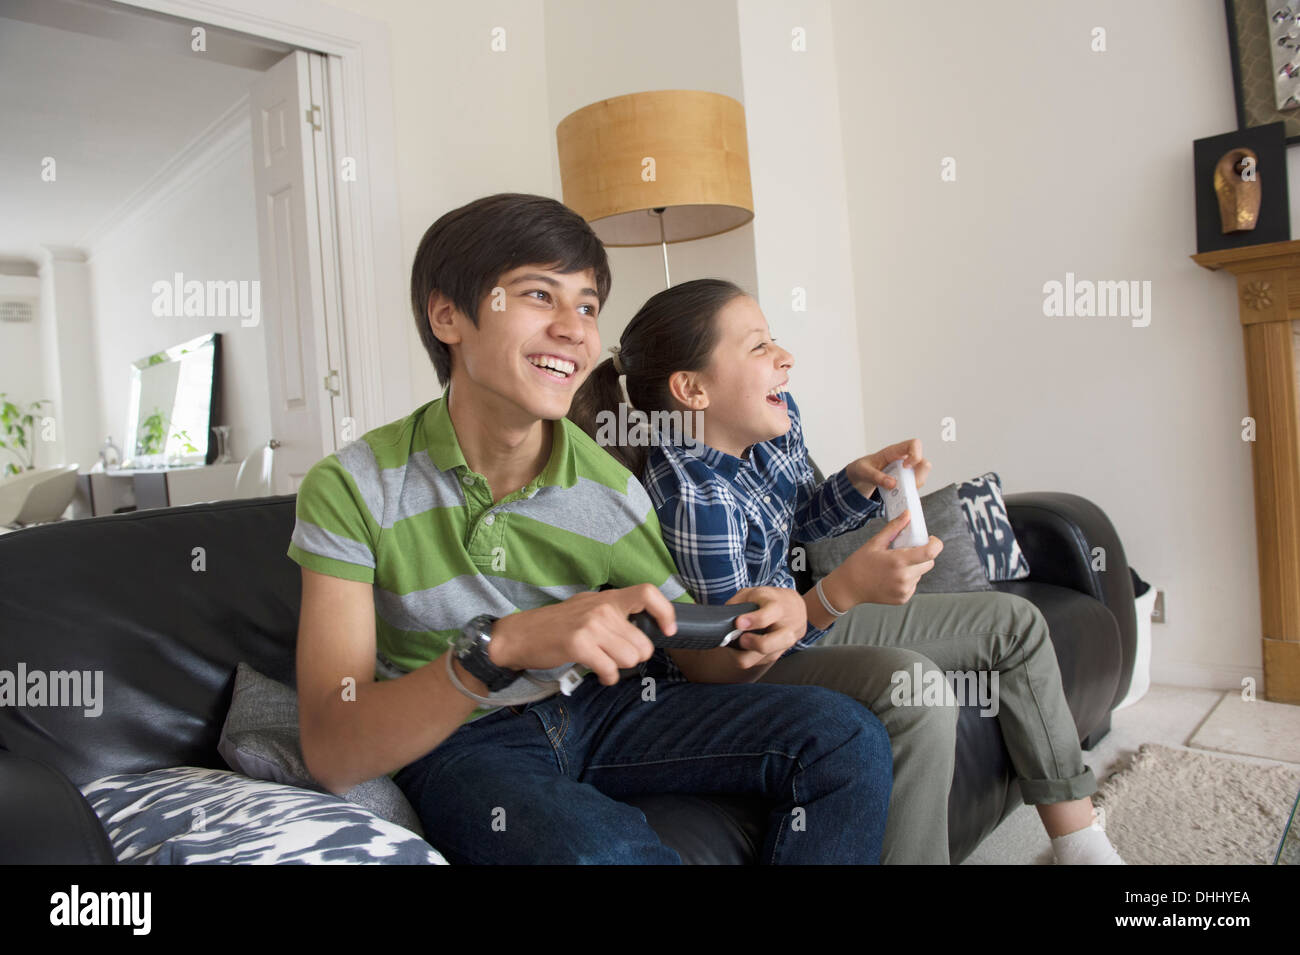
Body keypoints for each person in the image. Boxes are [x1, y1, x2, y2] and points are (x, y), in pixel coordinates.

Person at [286, 194, 893, 864]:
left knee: (844, 738)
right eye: (539, 295)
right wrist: (503, 645)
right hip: (465, 739)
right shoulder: (351, 486)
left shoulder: (608, 487)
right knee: (596, 851)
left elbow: (699, 656)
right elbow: (334, 746)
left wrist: (765, 623)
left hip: (606, 710)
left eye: (587, 305)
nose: (575, 329)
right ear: (447, 315)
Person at [570, 277, 1125, 865]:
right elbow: (741, 651)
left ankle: (1079, 843)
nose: (786, 358)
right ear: (692, 389)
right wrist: (843, 594)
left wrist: (858, 482)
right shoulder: (691, 496)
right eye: (759, 347)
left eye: (774, 340)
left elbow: (804, 517)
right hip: (739, 671)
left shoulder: (773, 429)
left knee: (1014, 623)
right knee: (916, 691)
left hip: (801, 624)